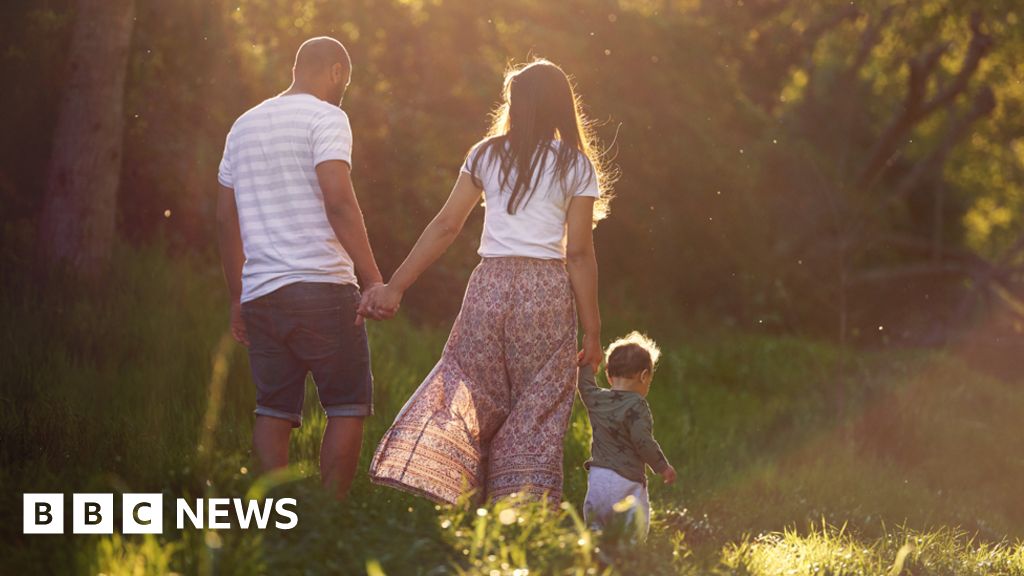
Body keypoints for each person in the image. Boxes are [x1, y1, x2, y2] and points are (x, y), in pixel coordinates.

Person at [363, 59, 613, 504]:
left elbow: (445, 225)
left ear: (516, 104)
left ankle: (465, 501)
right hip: (545, 292)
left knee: (476, 392)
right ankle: (521, 513)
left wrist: (395, 286)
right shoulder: (576, 166)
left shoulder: (485, 154)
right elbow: (578, 253)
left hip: (489, 288)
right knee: (539, 405)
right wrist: (592, 332)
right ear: (561, 107)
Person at [216, 37, 389, 500]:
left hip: (261, 295)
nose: (342, 92)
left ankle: (278, 522)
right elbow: (338, 200)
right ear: (334, 71)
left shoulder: (243, 126)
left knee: (273, 410)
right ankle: (329, 520)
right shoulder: (326, 116)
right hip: (323, 286)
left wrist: (237, 296)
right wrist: (373, 278)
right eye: (344, 82)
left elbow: (224, 218)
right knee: (347, 406)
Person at [578, 332, 676, 541]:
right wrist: (662, 466)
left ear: (608, 375)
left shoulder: (597, 398)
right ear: (643, 376)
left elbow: (585, 386)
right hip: (626, 483)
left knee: (596, 535)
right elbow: (642, 441)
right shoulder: (637, 405)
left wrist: (586, 362)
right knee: (633, 535)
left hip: (598, 481)